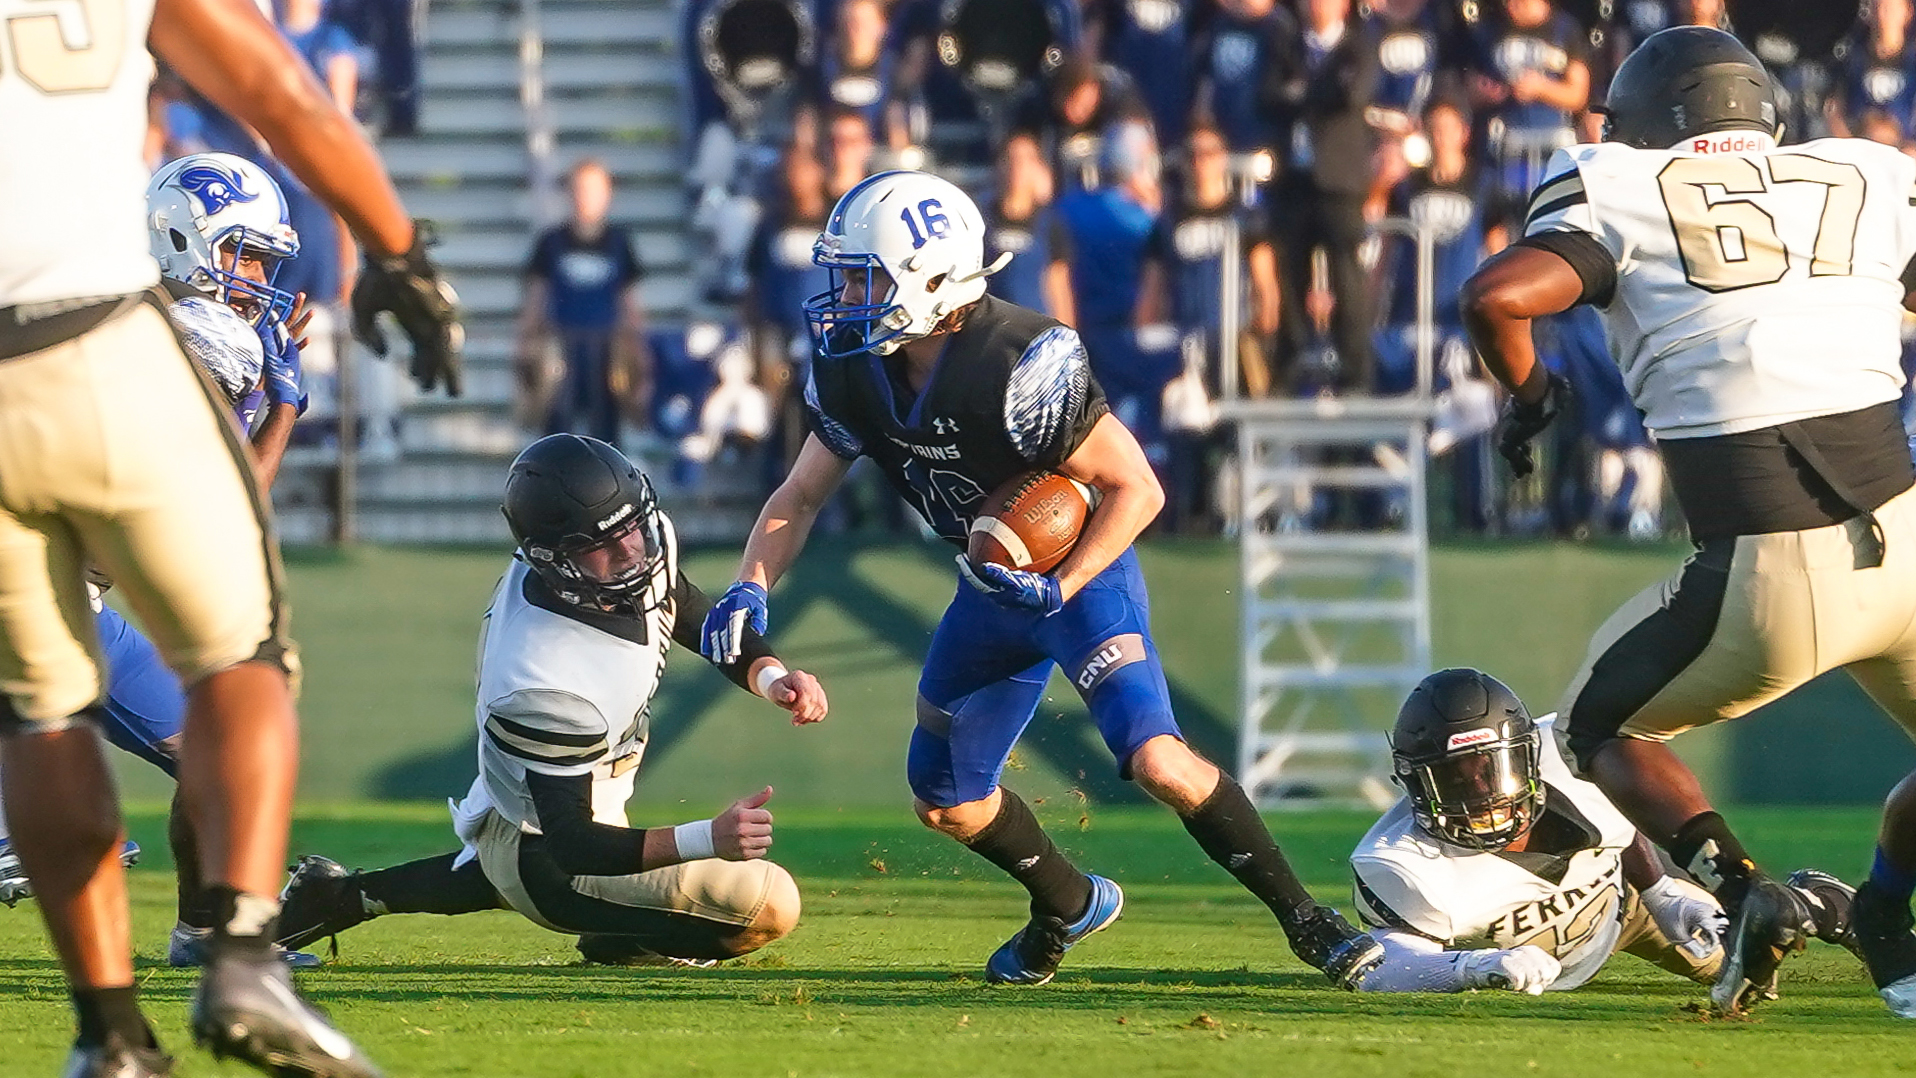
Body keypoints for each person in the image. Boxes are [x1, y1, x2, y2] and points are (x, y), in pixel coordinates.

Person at [699, 168, 1386, 989]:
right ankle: (1066, 902)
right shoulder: (856, 368)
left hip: (1079, 579)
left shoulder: (1017, 360)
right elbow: (800, 495)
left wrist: (1063, 587)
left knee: (1159, 761)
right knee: (946, 800)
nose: (844, 296)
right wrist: (751, 586)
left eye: (864, 277)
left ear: (929, 277)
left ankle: (1309, 921)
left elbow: (1140, 488)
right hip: (989, 589)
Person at [0, 0, 460, 1066]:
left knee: (44, 715)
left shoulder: (230, 334)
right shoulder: (193, 339)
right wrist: (396, 247)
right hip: (87, 338)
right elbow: (283, 92)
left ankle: (108, 1032)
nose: (259, 278)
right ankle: (240, 954)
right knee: (243, 662)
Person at [1461, 26, 1916, 1018]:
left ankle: (1744, 889)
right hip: (1905, 543)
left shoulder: (1613, 183)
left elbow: (1495, 293)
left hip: (1769, 564)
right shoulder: (1861, 170)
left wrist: (1530, 392)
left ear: (1636, 126)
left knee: (1593, 722)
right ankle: (1884, 906)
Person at [270, 434, 818, 965]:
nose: (631, 551)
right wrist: (708, 837)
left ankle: (338, 897)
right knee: (768, 904)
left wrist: (770, 676)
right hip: (549, 854)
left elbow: (684, 605)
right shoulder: (545, 682)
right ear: (553, 560)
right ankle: (623, 930)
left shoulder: (618, 541)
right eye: (602, 545)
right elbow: (572, 845)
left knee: (527, 842)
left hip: (550, 808)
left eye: (632, 528)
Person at [0, 154, 324, 969]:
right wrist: (280, 407)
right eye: (242, 254)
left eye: (262, 260)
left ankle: (206, 935)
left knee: (216, 749)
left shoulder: (169, 323)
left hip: (74, 591)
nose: (255, 276)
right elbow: (228, 506)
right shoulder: (188, 339)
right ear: (183, 238)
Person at [1352, 668, 1860, 995]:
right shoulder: (1399, 864)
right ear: (1416, 783)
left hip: (1625, 906)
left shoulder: (1569, 756)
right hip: (1534, 955)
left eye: (1494, 767)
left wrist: (1662, 893)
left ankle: (1831, 905)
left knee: (1758, 959)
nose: (1485, 790)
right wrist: (1471, 966)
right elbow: (1386, 966)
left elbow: (1616, 817)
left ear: (1528, 754)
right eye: (1456, 776)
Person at [1263, 0, 1381, 392]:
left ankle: (1355, 373)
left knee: (1347, 278)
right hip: (1294, 181)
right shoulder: (1286, 44)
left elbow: (1351, 95)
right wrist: (1315, 93)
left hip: (1340, 181)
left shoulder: (1359, 47)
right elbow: (1266, 97)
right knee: (1290, 277)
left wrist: (1300, 93)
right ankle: (1290, 366)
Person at [518, 159, 649, 446]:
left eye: (593, 190)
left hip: (606, 347)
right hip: (561, 345)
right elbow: (535, 298)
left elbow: (629, 302)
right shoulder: (551, 241)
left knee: (606, 429)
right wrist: (526, 343)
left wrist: (638, 349)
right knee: (557, 428)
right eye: (580, 189)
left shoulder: (619, 241)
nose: (585, 197)